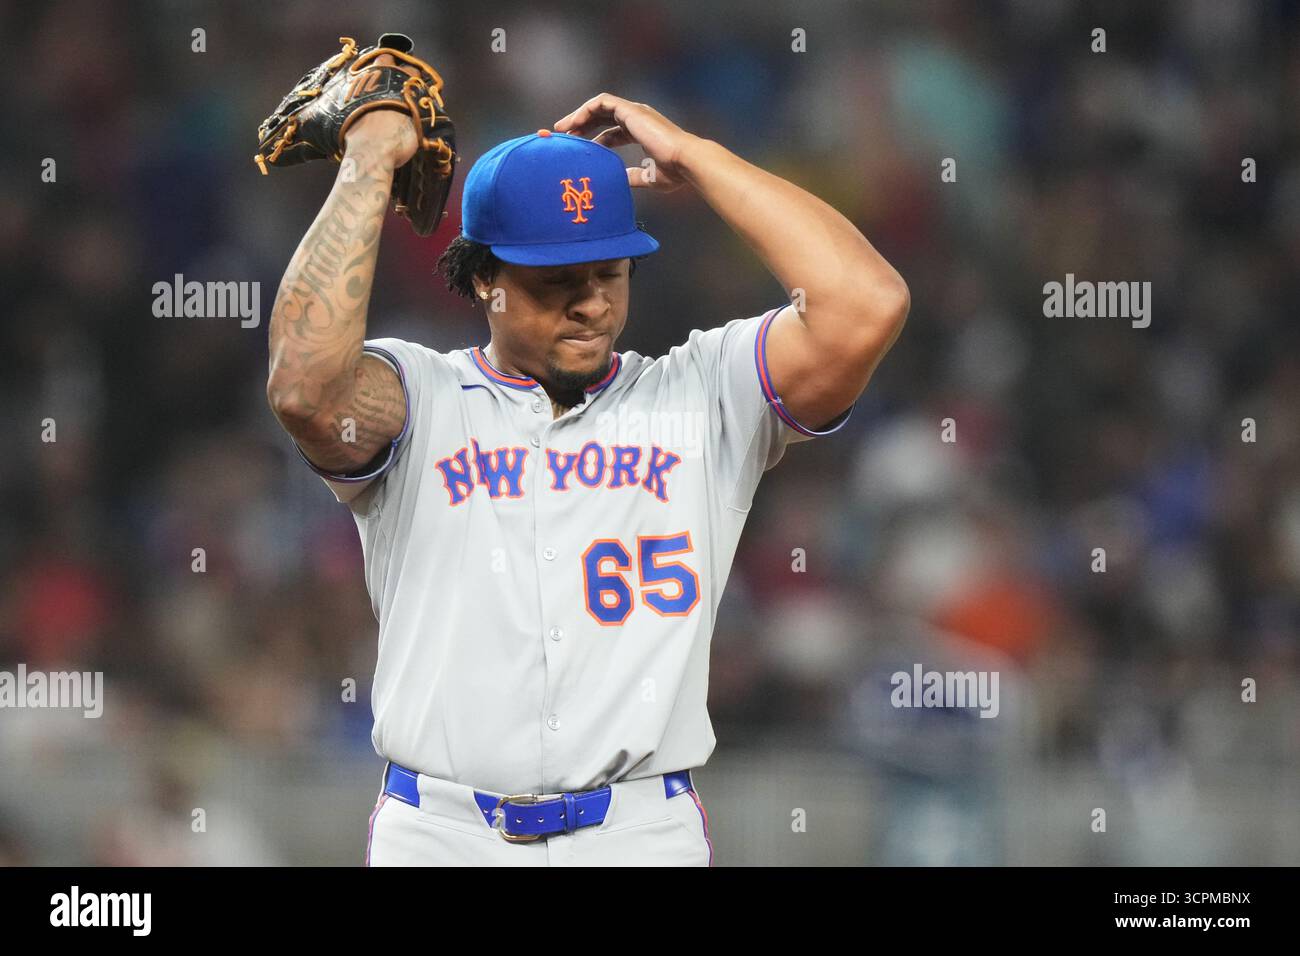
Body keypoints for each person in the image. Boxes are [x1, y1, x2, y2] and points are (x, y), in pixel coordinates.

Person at [265, 70, 909, 865]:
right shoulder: (422, 397)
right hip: (443, 833)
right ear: (481, 278)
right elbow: (304, 389)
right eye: (556, 280)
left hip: (637, 833)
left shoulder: (703, 394)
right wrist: (367, 161)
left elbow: (866, 304)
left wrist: (701, 160)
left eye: (609, 271)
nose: (592, 304)